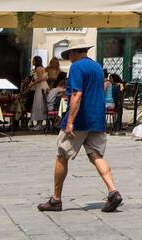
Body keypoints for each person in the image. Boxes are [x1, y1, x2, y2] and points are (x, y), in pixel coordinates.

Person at [37, 45, 122, 213]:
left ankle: (56, 199)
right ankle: (113, 191)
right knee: (96, 154)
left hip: (80, 119)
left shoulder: (76, 67)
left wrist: (70, 122)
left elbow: (77, 95)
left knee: (62, 155)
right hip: (97, 118)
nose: (69, 59)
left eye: (69, 56)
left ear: (74, 53)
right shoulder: (97, 67)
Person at [26, 56, 49, 129]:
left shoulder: (38, 68)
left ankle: (39, 124)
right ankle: (39, 123)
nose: (32, 61)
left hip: (40, 87)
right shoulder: (42, 68)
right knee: (41, 104)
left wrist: (31, 84)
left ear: (36, 61)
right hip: (42, 86)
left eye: (33, 60)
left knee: (39, 104)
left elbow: (39, 79)